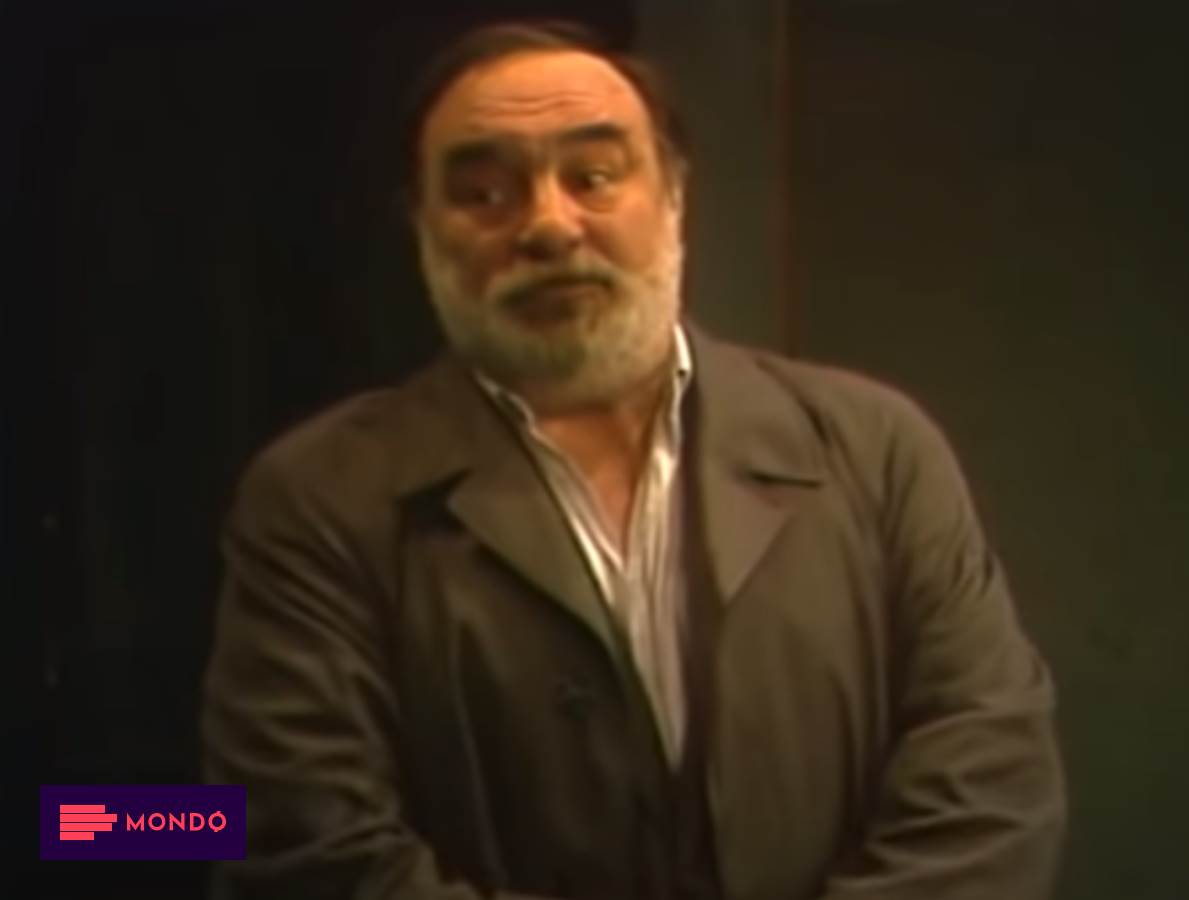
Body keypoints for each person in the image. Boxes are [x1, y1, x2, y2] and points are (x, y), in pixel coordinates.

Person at [201, 20, 1066, 900]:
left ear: (675, 198)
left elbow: (990, 787)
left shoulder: (873, 449)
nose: (548, 225)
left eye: (594, 177)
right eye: (485, 193)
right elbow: (306, 844)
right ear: (422, 230)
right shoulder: (321, 497)